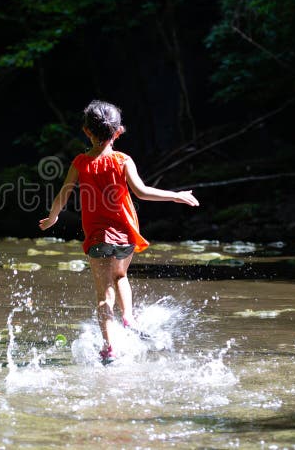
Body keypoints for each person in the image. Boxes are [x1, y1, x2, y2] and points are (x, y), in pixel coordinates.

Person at [39, 100, 199, 363]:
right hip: (125, 232)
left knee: (103, 296)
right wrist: (176, 196)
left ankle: (109, 347)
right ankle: (128, 317)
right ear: (118, 132)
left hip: (97, 237)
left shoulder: (80, 162)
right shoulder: (123, 160)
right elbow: (143, 192)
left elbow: (64, 193)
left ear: (86, 131)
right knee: (121, 275)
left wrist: (53, 217)